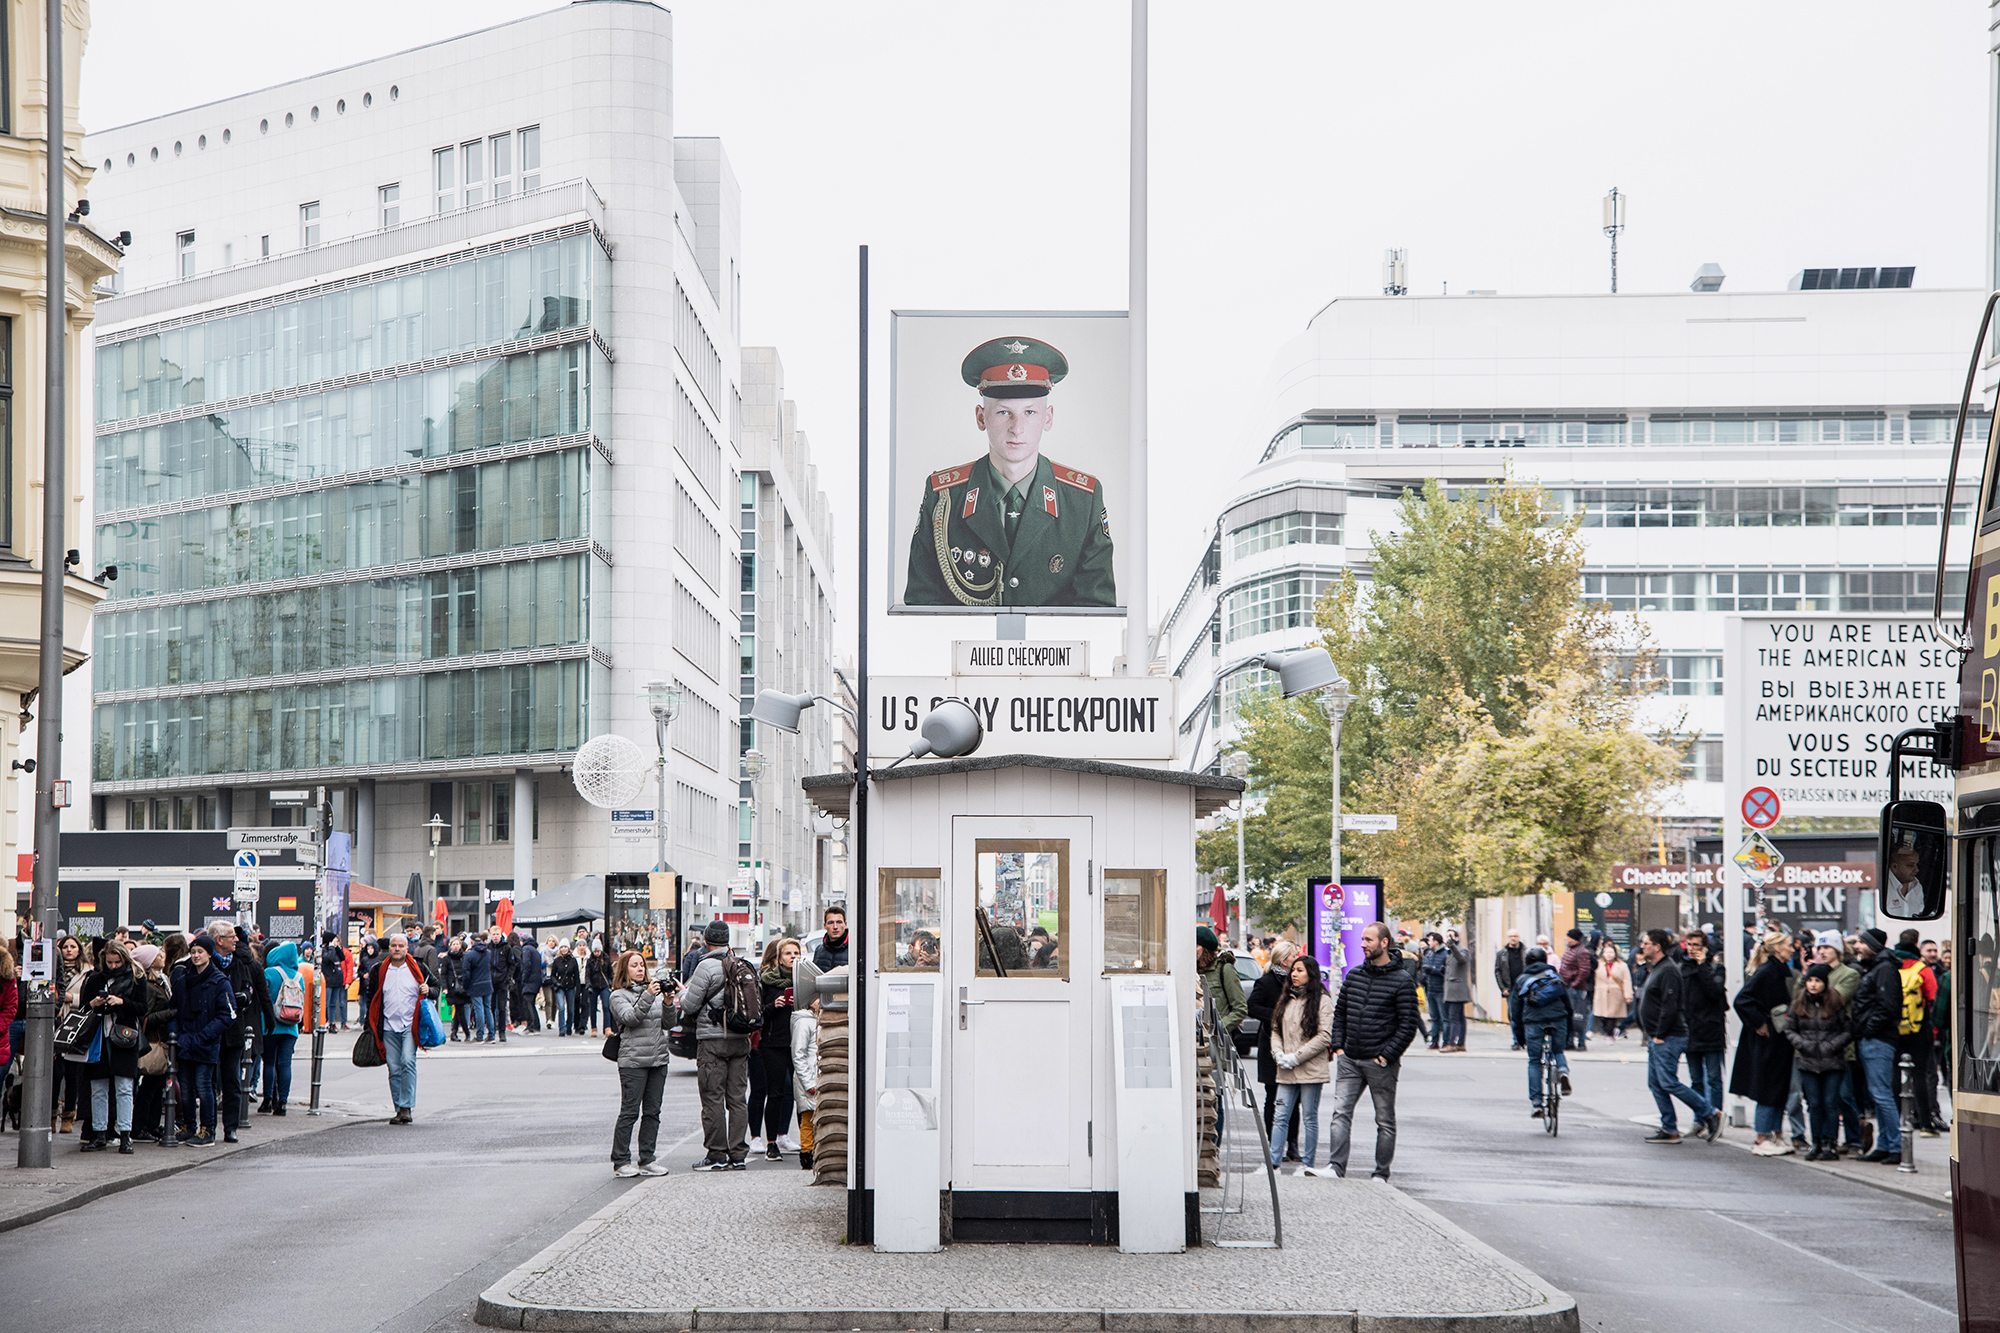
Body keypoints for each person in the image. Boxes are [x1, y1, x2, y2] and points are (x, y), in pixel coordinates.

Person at [902, 336, 1115, 607]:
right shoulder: (944, 496)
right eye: (1003, 413)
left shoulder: (1083, 500)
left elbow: (1097, 614)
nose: (1017, 428)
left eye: (1029, 413)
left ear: (1047, 418)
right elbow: (922, 609)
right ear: (981, 418)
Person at [1323, 923, 1419, 1180]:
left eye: (1368, 939)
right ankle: (1335, 1167)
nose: (1363, 944)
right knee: (1340, 1114)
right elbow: (1340, 1013)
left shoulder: (1402, 981)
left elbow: (1408, 1025)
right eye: (1362, 939)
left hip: (1380, 1063)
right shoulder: (1354, 975)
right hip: (1350, 1059)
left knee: (1384, 1120)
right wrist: (1339, 1046)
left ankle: (1381, 1174)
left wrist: (1387, 1055)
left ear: (1384, 942)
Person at [677, 919, 753, 1169]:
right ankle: (739, 1154)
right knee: (738, 1099)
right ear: (728, 941)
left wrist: (681, 993)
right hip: (740, 1039)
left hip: (712, 1040)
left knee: (713, 1098)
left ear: (707, 941)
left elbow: (689, 1005)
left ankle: (717, 1155)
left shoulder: (706, 966)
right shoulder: (743, 964)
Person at [1635, 928, 1715, 1144]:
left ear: (1657, 946)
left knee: (1668, 1082)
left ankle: (1709, 1112)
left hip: (1668, 1036)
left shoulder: (1668, 970)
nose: (1642, 946)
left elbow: (1670, 1006)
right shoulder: (1658, 968)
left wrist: (1660, 1034)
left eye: (1646, 943)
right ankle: (1669, 1128)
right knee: (1656, 1083)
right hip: (1657, 1036)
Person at [606, 949, 673, 1176]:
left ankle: (648, 1158)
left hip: (658, 1059)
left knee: (653, 1112)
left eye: (642, 965)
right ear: (624, 969)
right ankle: (621, 1161)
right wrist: (648, 996)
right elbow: (630, 1019)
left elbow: (668, 1023)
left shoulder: (651, 993)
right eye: (634, 965)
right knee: (630, 1112)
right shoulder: (618, 995)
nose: (640, 969)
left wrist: (669, 1002)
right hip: (633, 1061)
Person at [1267, 953, 1336, 1174]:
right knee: (1280, 1116)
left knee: (1309, 1116)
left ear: (1311, 974)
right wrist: (1278, 1053)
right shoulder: (1286, 998)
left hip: (1310, 1068)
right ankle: (1273, 1163)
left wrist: (1297, 1056)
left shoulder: (1322, 1000)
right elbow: (1276, 1030)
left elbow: (1325, 1036)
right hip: (1286, 1066)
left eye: (1300, 971)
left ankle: (1307, 1164)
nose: (1294, 974)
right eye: (1293, 970)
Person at [1730, 931, 1797, 1155]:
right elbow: (1742, 999)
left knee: (1778, 1086)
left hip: (1778, 1037)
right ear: (1777, 948)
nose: (1792, 948)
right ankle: (1762, 1136)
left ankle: (1775, 1134)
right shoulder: (1768, 971)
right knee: (1769, 1087)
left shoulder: (1776, 970)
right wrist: (1759, 1023)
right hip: (1770, 1039)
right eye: (1788, 945)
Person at [78, 940, 148, 1154]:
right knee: (98, 1087)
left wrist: (121, 1002)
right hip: (99, 1035)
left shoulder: (136, 978)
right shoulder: (95, 978)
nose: (113, 966)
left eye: (117, 962)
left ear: (125, 959)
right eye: (109, 962)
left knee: (124, 1087)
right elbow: (83, 1007)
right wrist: (94, 1004)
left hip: (124, 1036)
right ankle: (99, 1134)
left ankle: (125, 1134)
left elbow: (142, 1007)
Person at [211, 923, 275, 1144]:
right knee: (208, 1080)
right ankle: (207, 1127)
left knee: (232, 1080)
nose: (235, 940)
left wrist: (268, 1019)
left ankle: (231, 1127)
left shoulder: (242, 965)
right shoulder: (207, 962)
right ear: (219, 940)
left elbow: (256, 993)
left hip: (236, 1028)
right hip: (210, 1029)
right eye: (231, 937)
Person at [170, 935, 235, 1147]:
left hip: (206, 1042)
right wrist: (176, 1036)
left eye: (200, 952)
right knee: (186, 1088)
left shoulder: (219, 981)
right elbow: (173, 1011)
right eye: (193, 952)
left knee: (204, 1086)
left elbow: (226, 1015)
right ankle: (189, 1126)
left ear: (209, 953)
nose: (196, 956)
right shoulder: (183, 981)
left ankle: (208, 1130)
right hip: (185, 1042)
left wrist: (204, 1035)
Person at [1786, 963, 1852, 1160]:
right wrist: (1803, 1044)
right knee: (1814, 1104)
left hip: (1832, 1061)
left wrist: (1831, 1045)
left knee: (1830, 1103)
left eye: (1817, 981)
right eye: (1810, 981)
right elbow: (1790, 1029)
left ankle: (1830, 1144)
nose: (1813, 985)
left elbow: (1847, 1030)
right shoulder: (1799, 1002)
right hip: (1808, 1060)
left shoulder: (1835, 1002)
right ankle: (1816, 1142)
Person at [1850, 928, 1905, 1163]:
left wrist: (1868, 1029)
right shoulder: (1878, 967)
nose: (1857, 947)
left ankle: (1894, 1146)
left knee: (1882, 1094)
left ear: (1872, 945)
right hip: (1873, 1037)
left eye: (1861, 943)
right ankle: (1885, 1144)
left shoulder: (1884, 969)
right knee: (1878, 1093)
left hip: (1878, 1039)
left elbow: (1888, 1007)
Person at [366, 932, 431, 1125]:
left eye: (401, 946)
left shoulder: (417, 967)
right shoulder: (380, 969)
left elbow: (435, 986)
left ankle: (407, 1107)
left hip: (410, 1025)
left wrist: (429, 990)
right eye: (394, 945)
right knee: (394, 1068)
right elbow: (371, 998)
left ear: (407, 948)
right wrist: (368, 1025)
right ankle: (399, 1108)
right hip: (387, 1026)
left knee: (408, 1061)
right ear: (389, 948)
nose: (397, 949)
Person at [1248, 939, 1303, 1162]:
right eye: (1294, 956)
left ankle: (1293, 1145)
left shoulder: (1298, 981)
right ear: (1284, 960)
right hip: (1271, 1045)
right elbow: (1252, 1007)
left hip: (1294, 1045)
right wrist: (1278, 1016)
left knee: (1294, 1098)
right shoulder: (1266, 982)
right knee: (1273, 1097)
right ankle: (1274, 1144)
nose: (1297, 960)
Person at [1891, 928, 1944, 1136]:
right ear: (1916, 945)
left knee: (1895, 1075)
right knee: (1921, 1075)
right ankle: (1925, 1124)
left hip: (1895, 1028)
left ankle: (1899, 1120)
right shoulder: (1923, 969)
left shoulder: (1890, 966)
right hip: (1919, 1028)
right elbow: (1933, 997)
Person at [1511, 947, 1574, 1116]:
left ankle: (1537, 1103)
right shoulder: (1555, 976)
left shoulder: (1522, 980)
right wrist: (1569, 1032)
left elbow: (1515, 1011)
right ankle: (1562, 1071)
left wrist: (1519, 1035)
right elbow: (1568, 1006)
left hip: (1533, 1022)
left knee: (1534, 1061)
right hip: (1558, 1019)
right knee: (1558, 1050)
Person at [757, 937, 803, 1159]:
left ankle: (807, 1142)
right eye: (788, 954)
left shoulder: (804, 979)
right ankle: (771, 1142)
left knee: (801, 1093)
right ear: (779, 958)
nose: (793, 957)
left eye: (796, 953)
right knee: (775, 1093)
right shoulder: (767, 980)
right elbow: (757, 1014)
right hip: (773, 1043)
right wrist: (772, 1006)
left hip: (799, 1044)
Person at [1678, 930, 1729, 1116]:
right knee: (1696, 1079)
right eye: (1689, 945)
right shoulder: (1682, 968)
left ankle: (1716, 1114)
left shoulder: (1715, 968)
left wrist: (1702, 966)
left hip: (1711, 1029)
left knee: (1714, 1078)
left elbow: (1714, 992)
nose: (1692, 949)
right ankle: (1700, 1118)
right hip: (1690, 1029)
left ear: (1704, 947)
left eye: (1696, 945)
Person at [259, 941, 304, 1116]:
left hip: (270, 1026)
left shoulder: (269, 972)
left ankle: (267, 1100)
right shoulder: (299, 976)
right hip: (291, 1027)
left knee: (269, 1063)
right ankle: (283, 1103)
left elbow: (261, 996)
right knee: (285, 1065)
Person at [55, 933, 91, 1133]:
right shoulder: (53, 969)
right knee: (55, 1072)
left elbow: (89, 998)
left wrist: (72, 998)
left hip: (75, 1025)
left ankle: (69, 1115)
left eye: (73, 946)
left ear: (79, 949)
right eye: (66, 946)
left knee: (72, 1074)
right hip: (56, 1023)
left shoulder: (87, 971)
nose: (69, 950)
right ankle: (52, 1114)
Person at [1196, 926, 1248, 1038]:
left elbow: (1240, 1009)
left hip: (1218, 1042)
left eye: (1196, 946)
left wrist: (1218, 1028)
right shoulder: (1191, 972)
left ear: (1206, 949)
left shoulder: (1225, 969)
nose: (1193, 950)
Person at [792, 993, 820, 1172]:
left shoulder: (818, 1020)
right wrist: (808, 1082)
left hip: (816, 1076)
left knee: (816, 1119)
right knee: (808, 1119)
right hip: (809, 1078)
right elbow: (798, 1054)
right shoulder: (804, 1022)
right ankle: (807, 1154)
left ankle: (814, 1152)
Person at [1558, 928, 1596, 1052]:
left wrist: (1575, 984)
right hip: (1567, 986)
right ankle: (1569, 1041)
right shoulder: (1571, 949)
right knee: (1569, 1015)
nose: (1566, 939)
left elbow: (1584, 970)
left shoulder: (1582, 951)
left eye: (1568, 937)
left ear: (1574, 938)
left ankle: (1581, 1041)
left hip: (1576, 989)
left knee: (1579, 1016)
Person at [1594, 941, 1633, 1041]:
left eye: (1611, 952)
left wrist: (1628, 995)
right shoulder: (1598, 964)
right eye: (1607, 952)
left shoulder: (1622, 965)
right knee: (1603, 1015)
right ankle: (1610, 1031)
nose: (1609, 955)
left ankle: (1610, 1034)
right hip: (1601, 992)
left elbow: (1627, 980)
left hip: (1616, 993)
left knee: (1612, 1015)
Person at [1439, 928, 1471, 1051]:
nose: (1448, 939)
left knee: (1454, 1017)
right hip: (1451, 989)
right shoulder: (1450, 952)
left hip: (1457, 989)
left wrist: (1453, 947)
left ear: (1456, 938)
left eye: (1451, 936)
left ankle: (1452, 1043)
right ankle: (1460, 1043)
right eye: (1447, 937)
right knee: (1459, 1017)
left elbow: (1461, 959)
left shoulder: (1462, 950)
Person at [462, 931, 496, 1043]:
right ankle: (491, 1035)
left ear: (471, 941)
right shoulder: (488, 953)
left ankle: (479, 1036)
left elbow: (466, 974)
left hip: (475, 985)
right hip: (487, 983)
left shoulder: (469, 955)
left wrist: (465, 986)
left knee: (478, 1009)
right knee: (488, 1009)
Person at [1494, 929, 1527, 1043]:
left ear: (1519, 937)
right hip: (1511, 988)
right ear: (1508, 938)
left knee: (1525, 1013)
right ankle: (1516, 1040)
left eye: (1515, 936)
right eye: (1511, 936)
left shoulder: (1526, 952)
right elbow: (1497, 971)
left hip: (1525, 988)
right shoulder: (1502, 953)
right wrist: (1502, 988)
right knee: (1513, 1015)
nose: (1513, 938)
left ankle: (1526, 1038)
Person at [1418, 933, 1447, 1051]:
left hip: (1441, 989)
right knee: (1434, 1017)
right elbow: (1425, 968)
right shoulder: (1429, 954)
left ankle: (1446, 1042)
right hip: (1430, 988)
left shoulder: (1445, 954)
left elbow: (1446, 972)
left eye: (1430, 940)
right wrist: (1423, 977)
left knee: (1444, 1017)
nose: (1428, 942)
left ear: (1436, 942)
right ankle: (1434, 1042)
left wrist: (1434, 970)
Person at [489, 928, 517, 1040]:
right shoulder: (488, 948)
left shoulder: (506, 948)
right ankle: (491, 1030)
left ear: (501, 935)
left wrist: (508, 977)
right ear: (491, 935)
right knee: (491, 1007)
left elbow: (512, 964)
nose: (495, 936)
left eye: (497, 934)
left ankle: (502, 1031)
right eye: (493, 934)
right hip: (491, 981)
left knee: (501, 1007)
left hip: (502, 981)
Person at [318, 933, 350, 1030]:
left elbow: (342, 957)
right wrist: (331, 947)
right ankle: (324, 1022)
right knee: (326, 1003)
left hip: (337, 981)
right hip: (328, 981)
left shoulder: (335, 950)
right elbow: (329, 958)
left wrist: (337, 948)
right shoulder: (324, 950)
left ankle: (332, 1022)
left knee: (333, 1003)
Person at [515, 934, 545, 1034]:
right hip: (536, 979)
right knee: (531, 1003)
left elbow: (526, 964)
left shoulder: (526, 949)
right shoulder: (534, 949)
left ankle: (530, 1026)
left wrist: (524, 978)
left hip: (530, 980)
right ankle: (536, 1026)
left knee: (527, 1003)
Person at [552, 941, 581, 1036]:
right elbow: (553, 975)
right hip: (560, 986)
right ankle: (562, 1029)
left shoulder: (573, 960)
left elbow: (576, 976)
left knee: (571, 1009)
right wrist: (556, 983)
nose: (564, 949)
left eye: (565, 947)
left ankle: (569, 1027)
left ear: (568, 948)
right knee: (561, 1007)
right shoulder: (557, 961)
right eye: (562, 947)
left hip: (570, 986)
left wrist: (578, 989)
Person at [585, 940, 612, 1037]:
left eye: (598, 951)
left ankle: (607, 1028)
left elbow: (610, 972)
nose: (597, 953)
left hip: (604, 985)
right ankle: (594, 1028)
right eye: (595, 951)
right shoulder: (590, 960)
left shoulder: (606, 958)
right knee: (592, 1008)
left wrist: (611, 983)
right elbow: (587, 974)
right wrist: (588, 985)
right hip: (593, 985)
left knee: (606, 1006)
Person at [813, 906, 850, 971]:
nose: (835, 927)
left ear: (845, 924)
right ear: (825, 926)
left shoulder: (854, 950)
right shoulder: (819, 951)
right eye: (831, 923)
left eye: (839, 922)